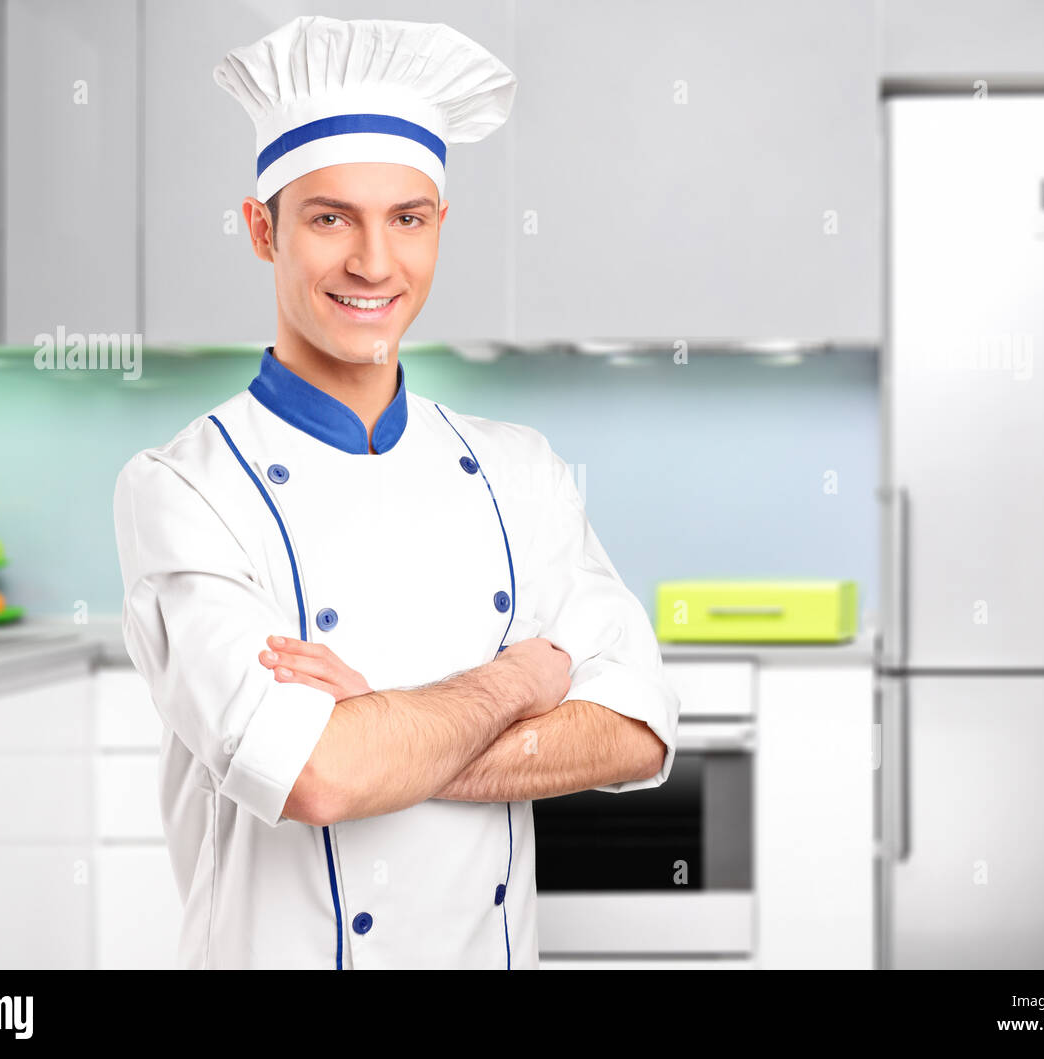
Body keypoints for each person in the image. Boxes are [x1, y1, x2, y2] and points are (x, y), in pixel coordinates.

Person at [112, 14, 678, 970]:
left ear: (438, 228)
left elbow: (636, 728)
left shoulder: (519, 469)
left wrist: (377, 715)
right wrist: (522, 681)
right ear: (263, 228)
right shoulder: (183, 488)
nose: (374, 262)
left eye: (407, 218)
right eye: (330, 217)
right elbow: (319, 774)